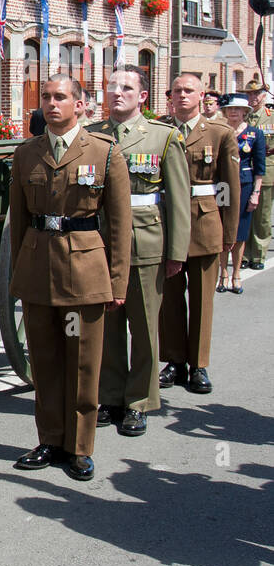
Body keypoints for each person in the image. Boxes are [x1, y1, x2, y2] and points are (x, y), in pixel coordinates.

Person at [9, 74, 130, 481]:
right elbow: (20, 221)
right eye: (46, 97)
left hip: (85, 271)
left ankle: (79, 447)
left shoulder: (104, 152)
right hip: (39, 270)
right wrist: (17, 277)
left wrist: (117, 282)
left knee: (82, 364)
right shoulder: (27, 154)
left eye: (60, 97)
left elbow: (118, 225)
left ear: (80, 105)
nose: (51, 104)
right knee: (43, 362)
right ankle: (49, 439)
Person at [87, 69, 189, 437]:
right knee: (107, 325)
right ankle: (111, 396)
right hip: (99, 242)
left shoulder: (163, 137)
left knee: (144, 326)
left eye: (126, 88)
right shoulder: (91, 135)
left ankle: (139, 402)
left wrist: (176, 251)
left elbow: (179, 199)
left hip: (144, 241)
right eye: (111, 86)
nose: (116, 93)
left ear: (142, 97)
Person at [157, 74, 242, 395]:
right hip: (166, 224)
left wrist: (228, 231)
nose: (181, 96)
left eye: (188, 91)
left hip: (204, 223)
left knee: (203, 301)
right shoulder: (161, 131)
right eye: (176, 91)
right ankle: (175, 360)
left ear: (201, 96)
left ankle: (199, 365)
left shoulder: (219, 133)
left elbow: (227, 187)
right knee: (170, 300)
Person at [219, 93, 265, 293]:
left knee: (240, 232)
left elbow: (259, 168)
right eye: (230, 109)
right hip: (222, 186)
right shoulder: (220, 131)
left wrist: (256, 193)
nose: (233, 112)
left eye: (238, 109)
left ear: (245, 112)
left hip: (245, 185)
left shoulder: (255, 134)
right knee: (221, 230)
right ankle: (223, 273)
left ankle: (236, 273)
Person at [243, 76, 273, 269]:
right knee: (245, 215)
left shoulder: (270, 115)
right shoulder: (242, 115)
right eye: (250, 94)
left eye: (256, 94)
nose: (253, 97)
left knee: (262, 216)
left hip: (267, 170)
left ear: (264, 95)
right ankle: (244, 255)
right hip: (245, 170)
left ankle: (259, 256)